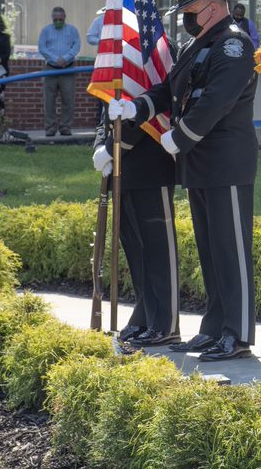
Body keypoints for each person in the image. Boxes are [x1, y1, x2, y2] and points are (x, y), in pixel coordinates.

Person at [109, 0, 257, 361]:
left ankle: (238, 333)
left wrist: (182, 135)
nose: (187, 16)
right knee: (211, 249)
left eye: (190, 8)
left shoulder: (233, 44)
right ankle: (214, 328)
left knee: (231, 248)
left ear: (210, 5)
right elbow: (170, 88)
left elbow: (217, 100)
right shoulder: (199, 45)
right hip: (199, 163)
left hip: (225, 160)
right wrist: (139, 106)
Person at [92, 109, 180, 346]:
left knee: (158, 249)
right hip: (122, 170)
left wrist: (113, 149)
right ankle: (146, 315)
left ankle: (165, 324)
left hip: (151, 165)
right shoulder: (115, 72)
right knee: (136, 249)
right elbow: (105, 117)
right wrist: (101, 147)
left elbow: (148, 112)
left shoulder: (148, 69)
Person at [37, 6, 80, 137]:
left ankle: (65, 127)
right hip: (50, 69)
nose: (58, 21)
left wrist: (66, 58)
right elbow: (42, 47)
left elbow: (77, 45)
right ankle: (50, 127)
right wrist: (55, 59)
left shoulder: (72, 30)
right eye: (55, 19)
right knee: (49, 100)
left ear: (64, 18)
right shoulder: (46, 31)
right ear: (52, 18)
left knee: (68, 99)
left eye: (60, 19)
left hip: (68, 69)